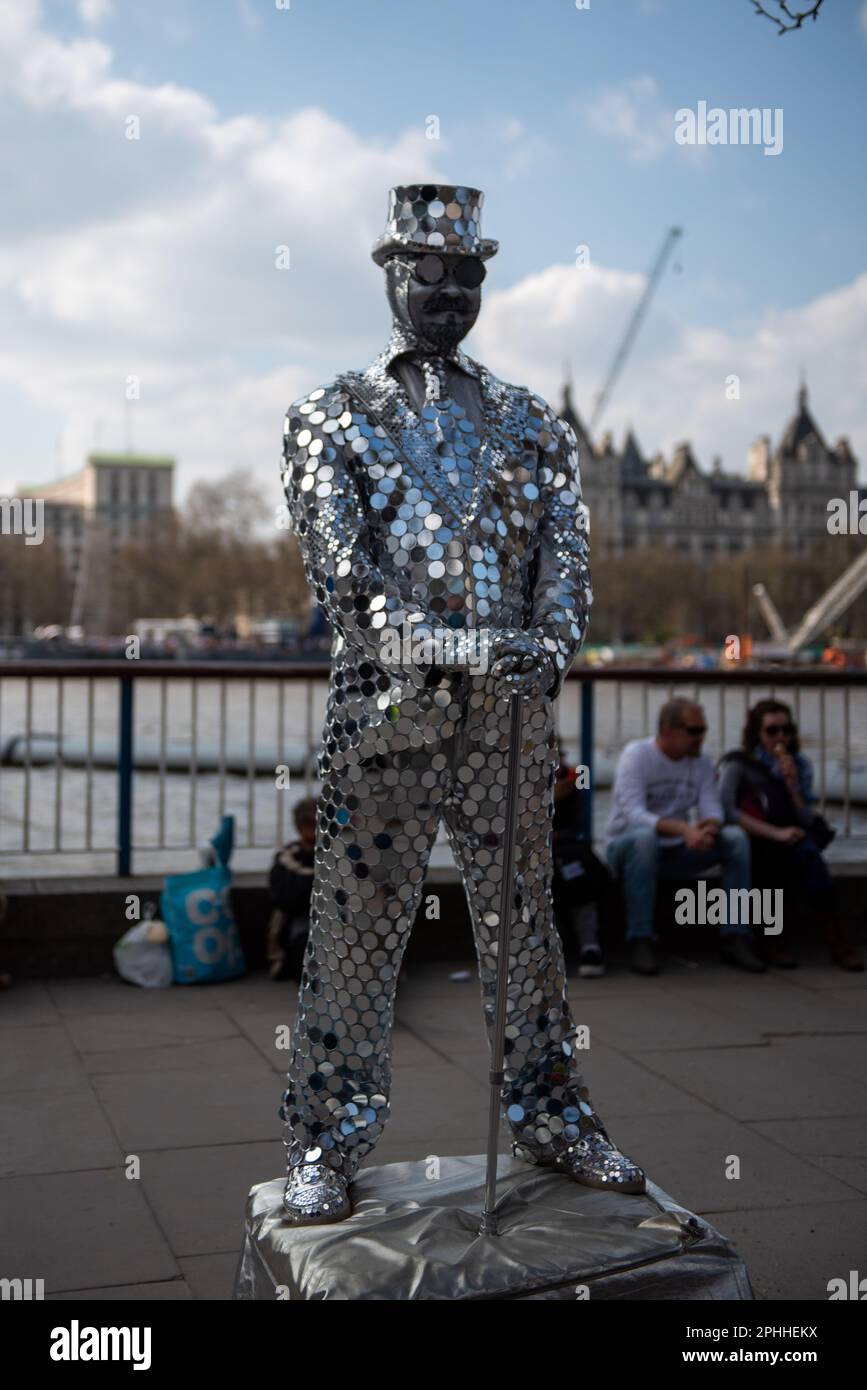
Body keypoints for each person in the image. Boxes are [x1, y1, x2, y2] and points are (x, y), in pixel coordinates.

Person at [277, 182, 646, 1227]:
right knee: (352, 937)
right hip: (385, 723)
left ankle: (551, 1109)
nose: (448, 292)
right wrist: (484, 648)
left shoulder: (533, 423)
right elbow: (346, 580)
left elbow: (567, 557)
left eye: (467, 274)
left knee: (527, 930)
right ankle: (324, 1139)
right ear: (390, 274)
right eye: (428, 271)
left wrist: (552, 643)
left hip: (509, 730)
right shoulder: (330, 417)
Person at [604, 697, 764, 977]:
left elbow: (711, 806)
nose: (701, 737)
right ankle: (640, 938)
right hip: (627, 848)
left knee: (735, 838)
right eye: (694, 730)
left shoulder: (700, 760)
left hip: (679, 847)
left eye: (703, 730)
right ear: (668, 730)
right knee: (644, 840)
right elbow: (634, 814)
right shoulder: (637, 755)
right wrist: (684, 829)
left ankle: (735, 935)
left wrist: (708, 829)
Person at [717, 700, 864, 972]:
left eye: (785, 730)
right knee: (771, 859)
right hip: (756, 833)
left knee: (810, 857)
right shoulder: (739, 764)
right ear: (757, 734)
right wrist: (774, 833)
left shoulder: (799, 764)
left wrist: (793, 786)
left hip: (789, 830)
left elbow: (805, 817)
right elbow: (726, 809)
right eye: (772, 731)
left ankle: (837, 942)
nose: (780, 737)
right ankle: (772, 940)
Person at [551, 749, 612, 977]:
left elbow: (582, 815)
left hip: (570, 851)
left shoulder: (576, 777)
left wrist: (565, 790)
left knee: (585, 875)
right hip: (541, 854)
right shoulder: (520, 781)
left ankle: (590, 945)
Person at [266, 798, 317, 981]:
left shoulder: (336, 854)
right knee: (304, 941)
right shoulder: (287, 857)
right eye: (307, 824)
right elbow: (285, 899)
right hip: (301, 916)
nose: (311, 830)